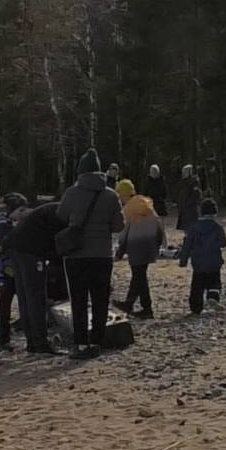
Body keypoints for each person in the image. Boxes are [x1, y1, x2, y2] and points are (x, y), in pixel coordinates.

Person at [56, 149, 125, 360]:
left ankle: (81, 344)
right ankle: (97, 341)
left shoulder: (71, 193)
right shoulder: (111, 195)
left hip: (76, 255)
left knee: (78, 300)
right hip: (102, 254)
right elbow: (118, 226)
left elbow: (60, 217)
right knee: (100, 299)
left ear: (80, 172)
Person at [6, 199, 62, 354]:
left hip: (16, 247)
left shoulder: (51, 209)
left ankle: (32, 341)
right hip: (30, 251)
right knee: (36, 296)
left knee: (25, 296)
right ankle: (40, 343)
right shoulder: (61, 215)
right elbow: (58, 243)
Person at [115, 179, 165, 319]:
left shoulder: (127, 209)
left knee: (139, 276)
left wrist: (119, 252)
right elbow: (158, 224)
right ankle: (132, 304)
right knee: (139, 275)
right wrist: (158, 243)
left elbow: (124, 233)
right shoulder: (146, 203)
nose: (119, 198)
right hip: (149, 245)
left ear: (124, 194)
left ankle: (144, 307)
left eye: (120, 195)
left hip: (135, 246)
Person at [0, 193, 28, 350]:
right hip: (4, 273)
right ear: (12, 211)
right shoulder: (2, 226)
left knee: (24, 303)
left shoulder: (16, 224)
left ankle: (27, 333)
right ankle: (3, 340)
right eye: (20, 210)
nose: (22, 214)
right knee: (5, 306)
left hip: (17, 270)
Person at [178, 199, 226, 314]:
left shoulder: (194, 228)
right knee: (214, 281)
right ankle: (213, 296)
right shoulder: (217, 227)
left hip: (198, 262)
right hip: (214, 262)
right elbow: (223, 243)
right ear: (215, 213)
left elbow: (187, 245)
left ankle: (196, 308)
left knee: (197, 286)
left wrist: (183, 261)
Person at [175, 164, 202, 233]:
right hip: (183, 210)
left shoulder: (194, 182)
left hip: (191, 209)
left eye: (185, 171)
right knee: (185, 228)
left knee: (193, 228)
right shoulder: (182, 183)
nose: (183, 173)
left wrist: (187, 204)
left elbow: (196, 195)